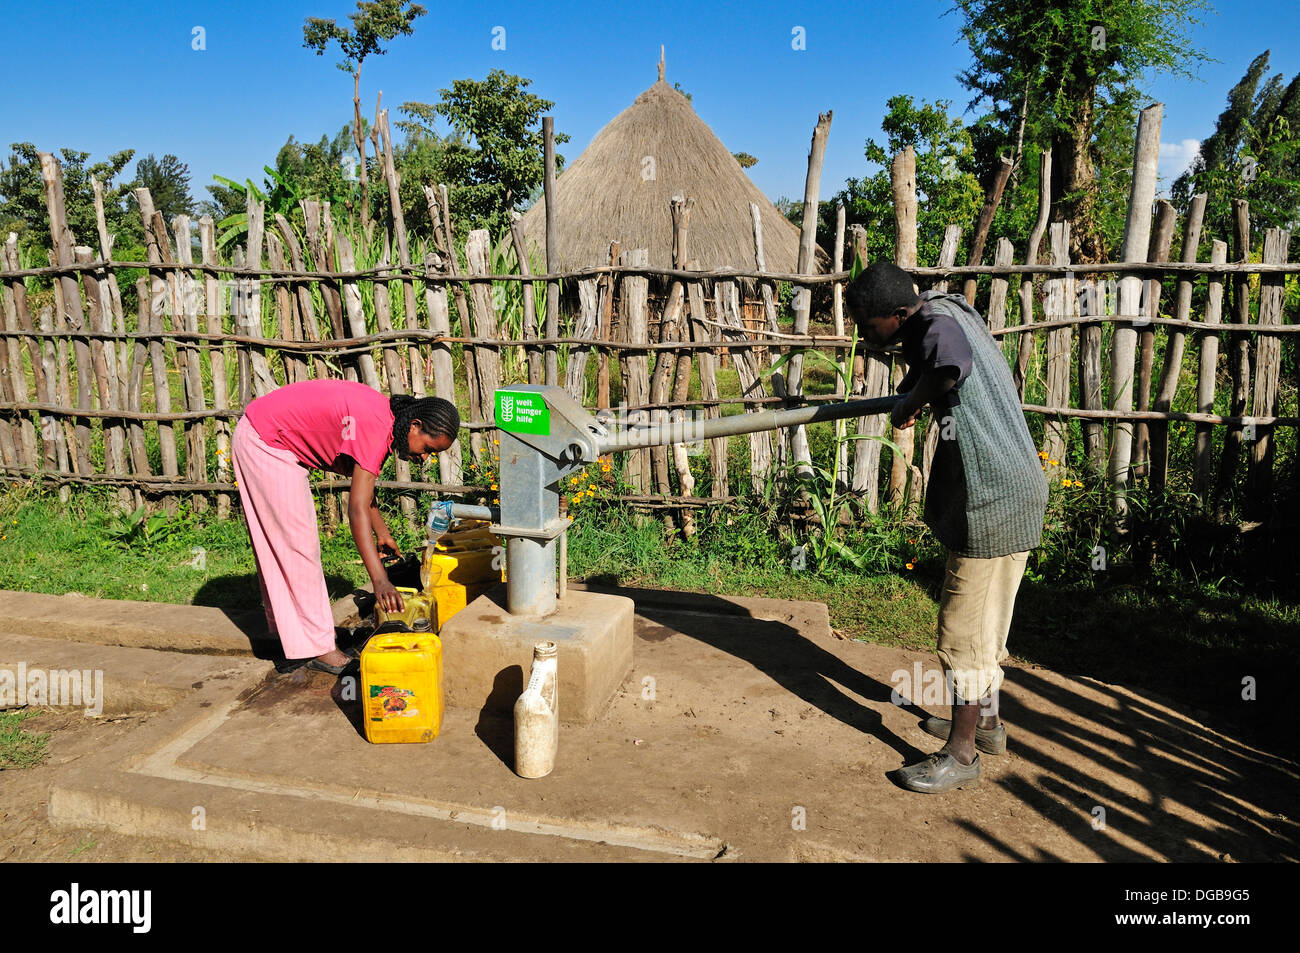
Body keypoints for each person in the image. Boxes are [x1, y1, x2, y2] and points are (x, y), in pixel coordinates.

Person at [846, 262, 1048, 794]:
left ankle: (960, 756)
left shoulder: (938, 327)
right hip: (1016, 487)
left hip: (992, 499)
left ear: (896, 314)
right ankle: (985, 726)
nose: (862, 336)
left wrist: (911, 402)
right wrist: (913, 387)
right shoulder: (943, 308)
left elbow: (949, 363)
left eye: (866, 325)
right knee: (988, 624)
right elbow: (929, 358)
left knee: (963, 632)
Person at [232, 379, 460, 674]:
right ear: (414, 425)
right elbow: (356, 510)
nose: (425, 458)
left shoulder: (384, 421)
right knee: (297, 547)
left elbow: (363, 490)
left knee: (286, 547)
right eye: (428, 448)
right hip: (265, 442)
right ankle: (318, 649)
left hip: (264, 432)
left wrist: (382, 533)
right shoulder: (377, 428)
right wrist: (379, 579)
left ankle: (296, 637)